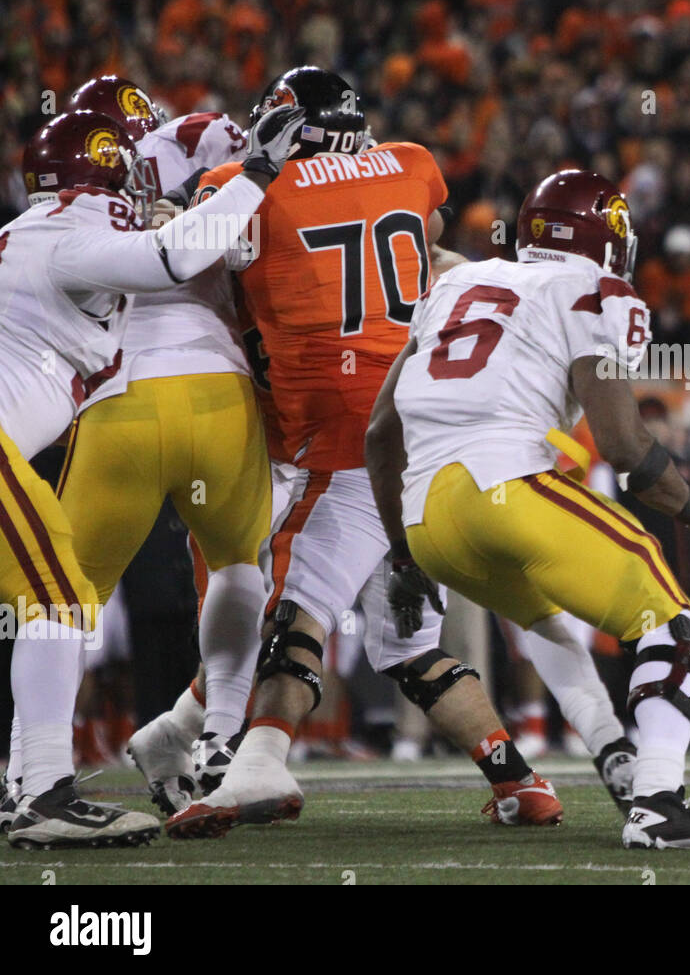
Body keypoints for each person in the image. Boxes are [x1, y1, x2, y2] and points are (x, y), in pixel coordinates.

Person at [163, 68, 579, 839]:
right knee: (410, 643)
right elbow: (417, 243)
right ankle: (520, 782)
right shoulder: (412, 163)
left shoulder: (242, 186)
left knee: (294, 609)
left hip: (345, 430)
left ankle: (255, 765)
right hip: (420, 422)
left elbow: (186, 251)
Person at [366, 168, 690, 848]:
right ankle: (660, 799)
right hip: (505, 490)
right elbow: (626, 449)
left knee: (547, 621)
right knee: (671, 621)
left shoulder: (456, 283)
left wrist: (404, 556)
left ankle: (614, 752)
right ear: (603, 237)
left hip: (428, 521)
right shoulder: (591, 288)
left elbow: (379, 435)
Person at [0, 100, 302, 846]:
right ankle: (41, 795)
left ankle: (25, 786)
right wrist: (257, 171)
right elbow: (171, 259)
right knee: (57, 597)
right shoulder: (67, 232)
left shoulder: (35, 233)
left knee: (56, 600)